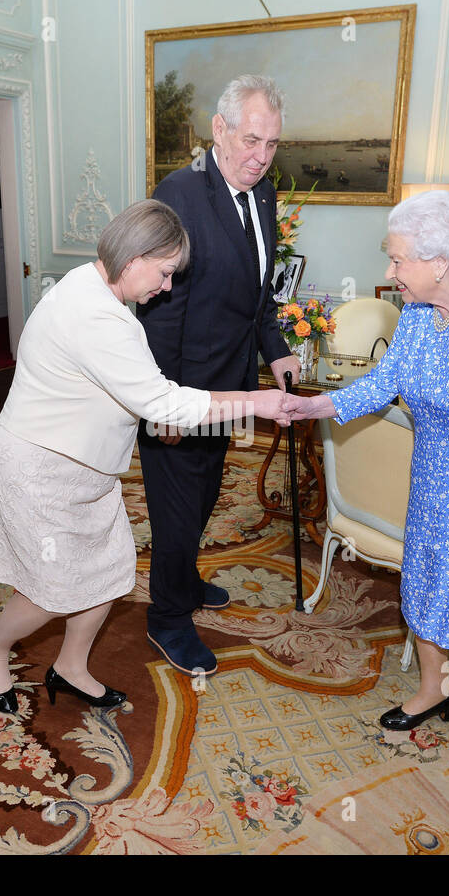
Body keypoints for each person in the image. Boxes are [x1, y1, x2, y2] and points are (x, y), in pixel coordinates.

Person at [0, 200, 291, 714]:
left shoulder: (90, 286)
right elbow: (162, 401)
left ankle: (71, 666)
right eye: (165, 273)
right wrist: (257, 402)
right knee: (51, 590)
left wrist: (163, 410)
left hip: (86, 468)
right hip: (42, 470)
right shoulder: (97, 315)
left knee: (108, 573)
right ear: (135, 257)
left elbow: (132, 390)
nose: (167, 287)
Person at [282, 190, 449, 773]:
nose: (390, 272)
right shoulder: (418, 313)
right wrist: (315, 406)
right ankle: (435, 690)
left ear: (439, 262)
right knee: (426, 586)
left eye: (398, 259)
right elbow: (383, 384)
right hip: (433, 479)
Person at [137, 75, 300, 677]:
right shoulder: (179, 193)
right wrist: (164, 405)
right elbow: (159, 311)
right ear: (219, 130)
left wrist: (276, 349)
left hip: (230, 387)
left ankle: (184, 579)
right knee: (175, 508)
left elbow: (257, 296)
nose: (262, 157)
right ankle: (168, 617)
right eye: (251, 141)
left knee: (204, 495)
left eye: (272, 145)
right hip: (181, 389)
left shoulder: (263, 194)